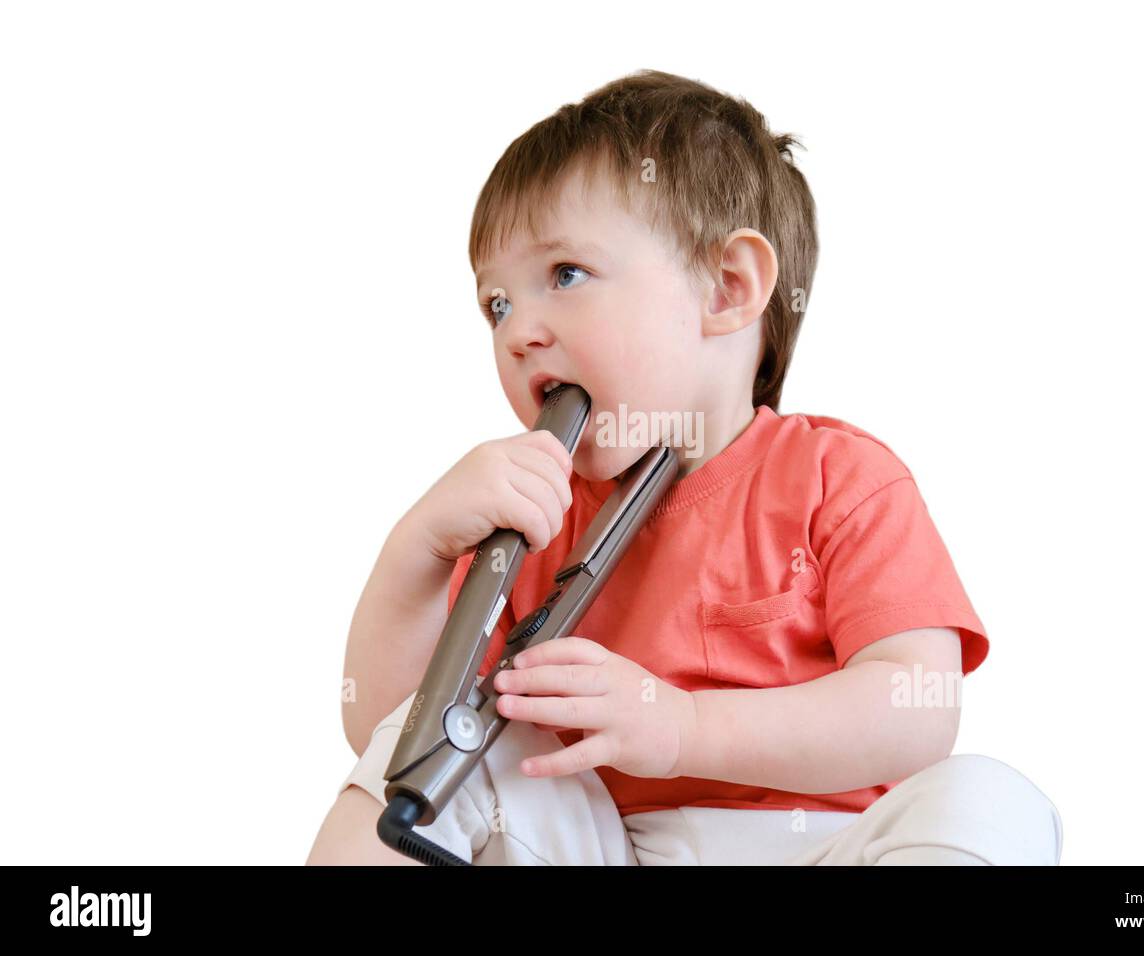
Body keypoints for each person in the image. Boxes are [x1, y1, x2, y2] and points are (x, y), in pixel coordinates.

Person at [306, 69, 1062, 866]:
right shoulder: (533, 520)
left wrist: (683, 728)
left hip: (827, 850)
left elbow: (919, 709)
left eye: (565, 275)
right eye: (496, 304)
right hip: (612, 848)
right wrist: (416, 550)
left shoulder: (841, 477)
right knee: (451, 753)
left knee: (992, 799)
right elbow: (397, 736)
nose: (519, 330)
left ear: (727, 290)